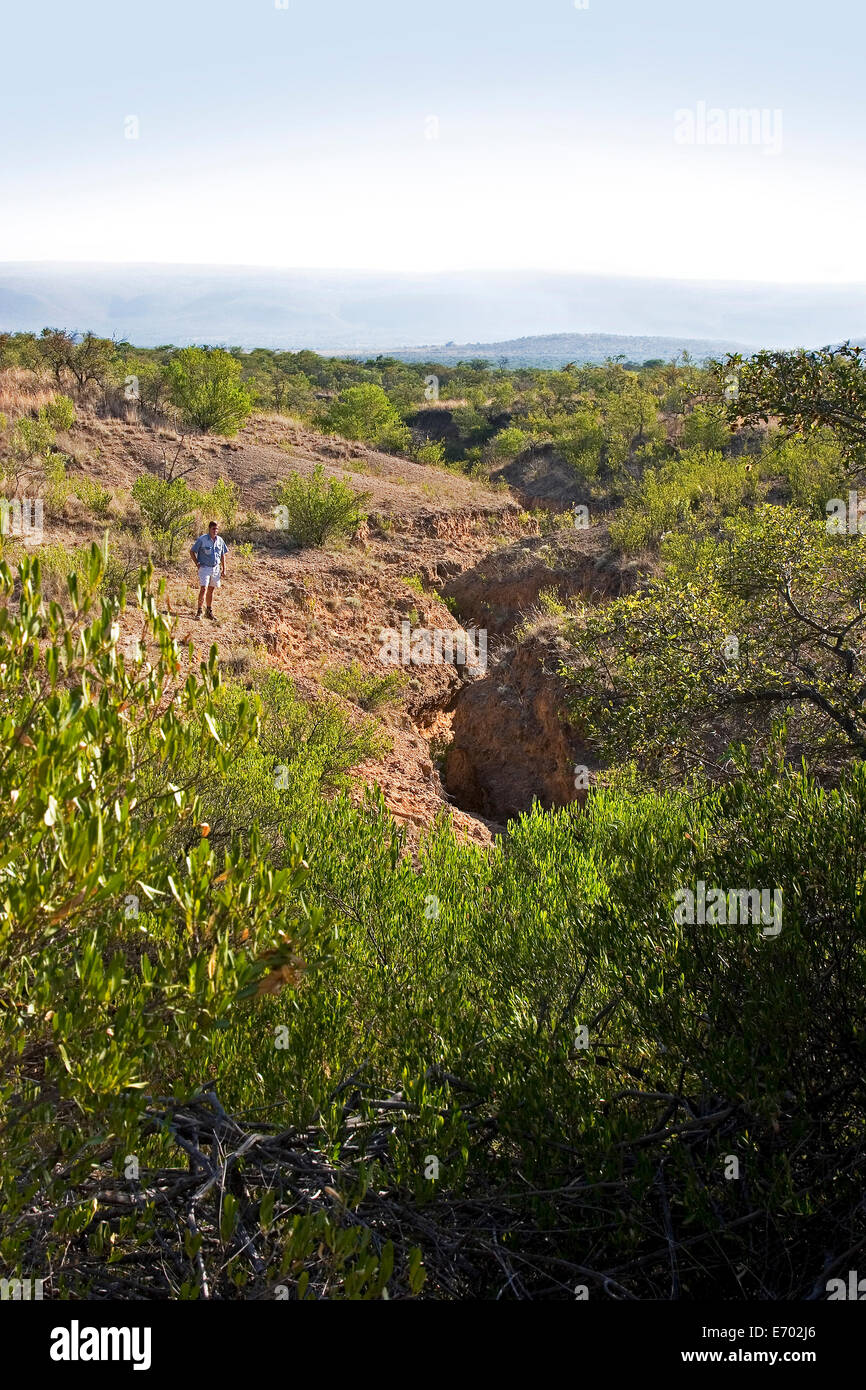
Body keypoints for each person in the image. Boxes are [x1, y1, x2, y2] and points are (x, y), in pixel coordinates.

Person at [190, 520, 229, 620]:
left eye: (217, 529)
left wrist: (224, 569)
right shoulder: (202, 539)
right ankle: (199, 611)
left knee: (211, 590)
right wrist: (197, 564)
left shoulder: (220, 540)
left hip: (215, 568)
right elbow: (192, 551)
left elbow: (222, 555)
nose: (215, 530)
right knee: (203, 589)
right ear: (209, 528)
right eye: (213, 528)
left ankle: (209, 610)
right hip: (204, 568)